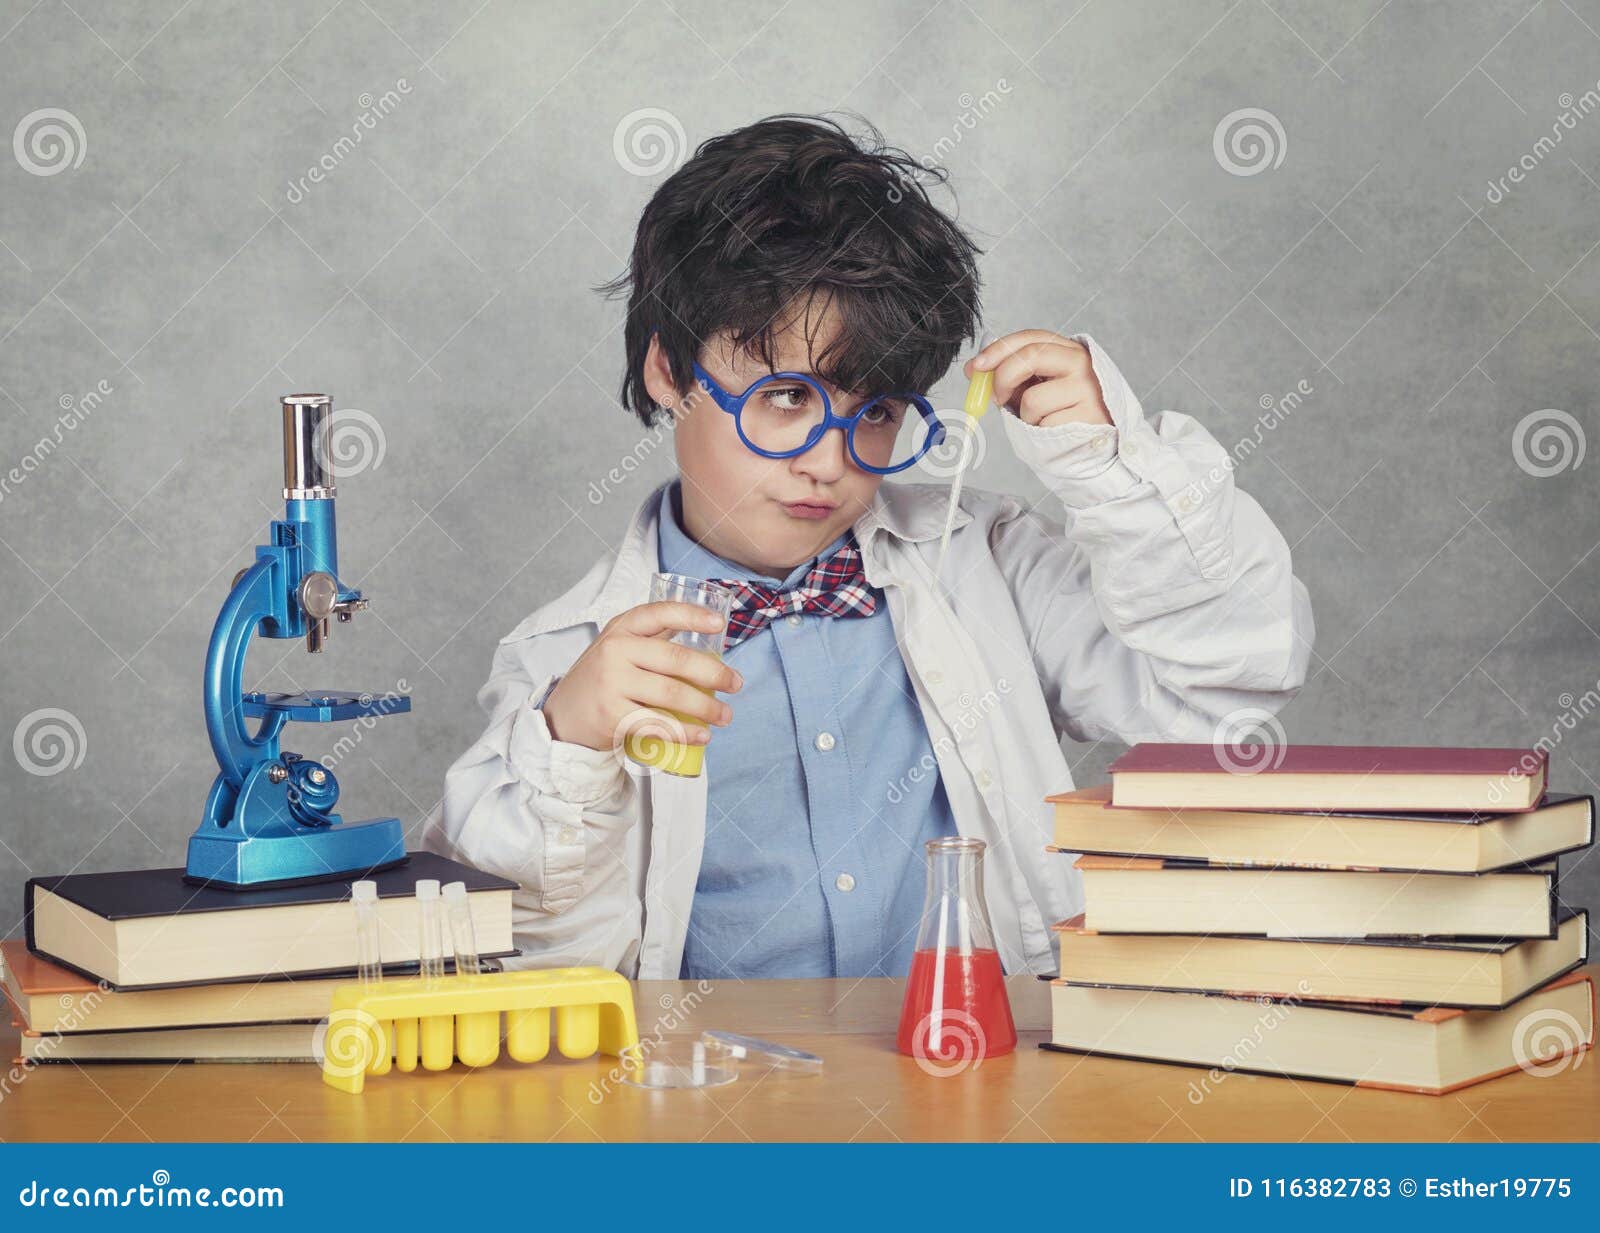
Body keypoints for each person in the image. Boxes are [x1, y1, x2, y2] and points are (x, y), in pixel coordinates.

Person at [423, 115, 1314, 980]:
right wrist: (569, 748)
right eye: (784, 399)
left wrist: (1114, 466)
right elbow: (522, 965)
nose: (828, 463)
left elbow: (1220, 702)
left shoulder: (984, 561)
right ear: (670, 371)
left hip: (981, 1093)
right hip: (715, 1112)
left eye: (875, 412)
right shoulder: (563, 659)